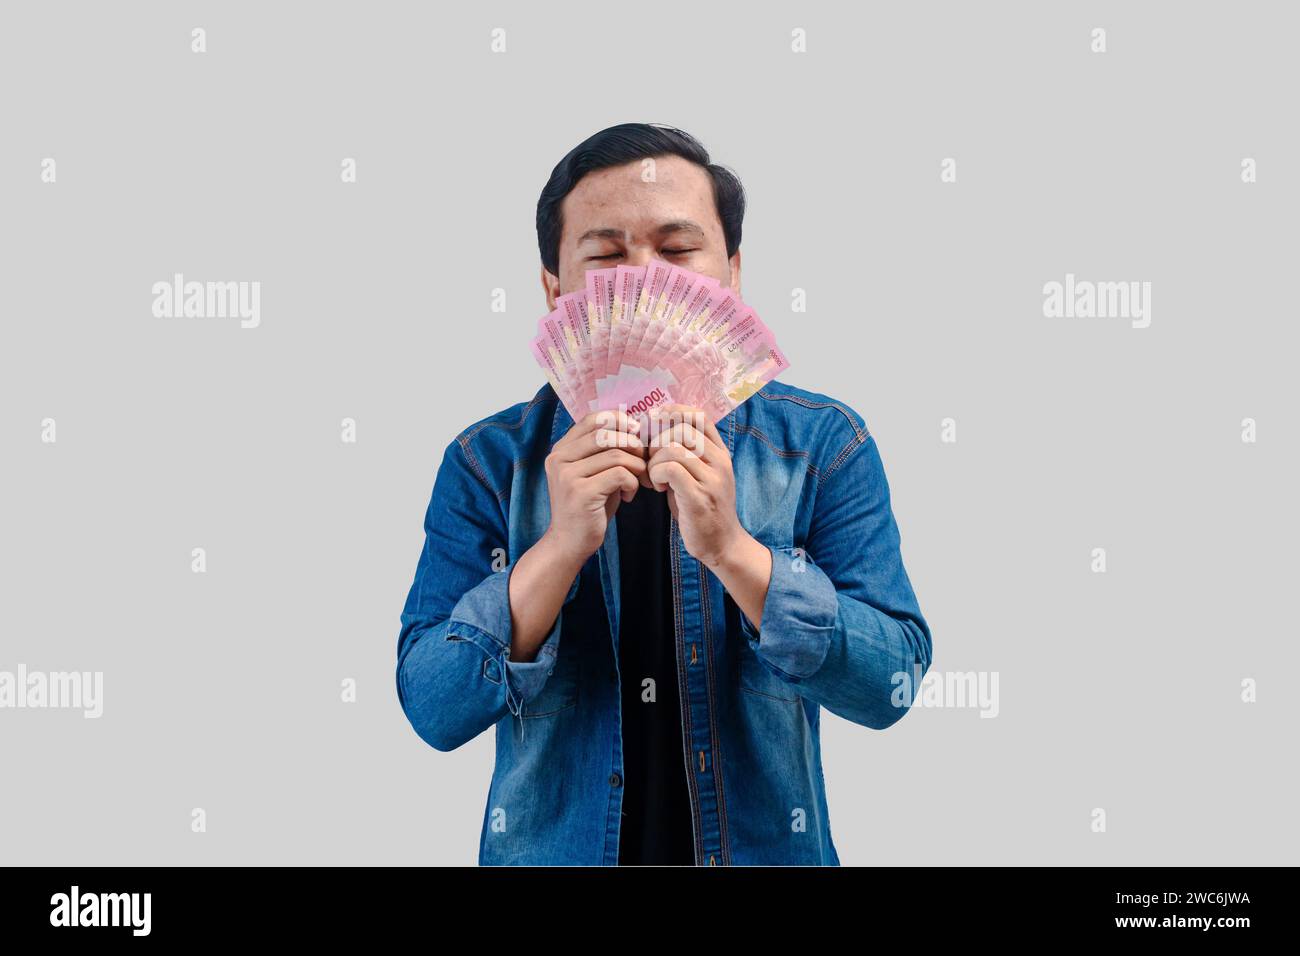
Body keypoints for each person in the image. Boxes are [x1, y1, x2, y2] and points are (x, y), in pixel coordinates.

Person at [395, 123, 933, 865]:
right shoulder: (487, 462)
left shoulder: (823, 446)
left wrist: (736, 554)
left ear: (732, 274)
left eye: (678, 250)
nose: (645, 282)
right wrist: (556, 551)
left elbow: (891, 688)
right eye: (608, 255)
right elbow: (433, 707)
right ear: (554, 289)